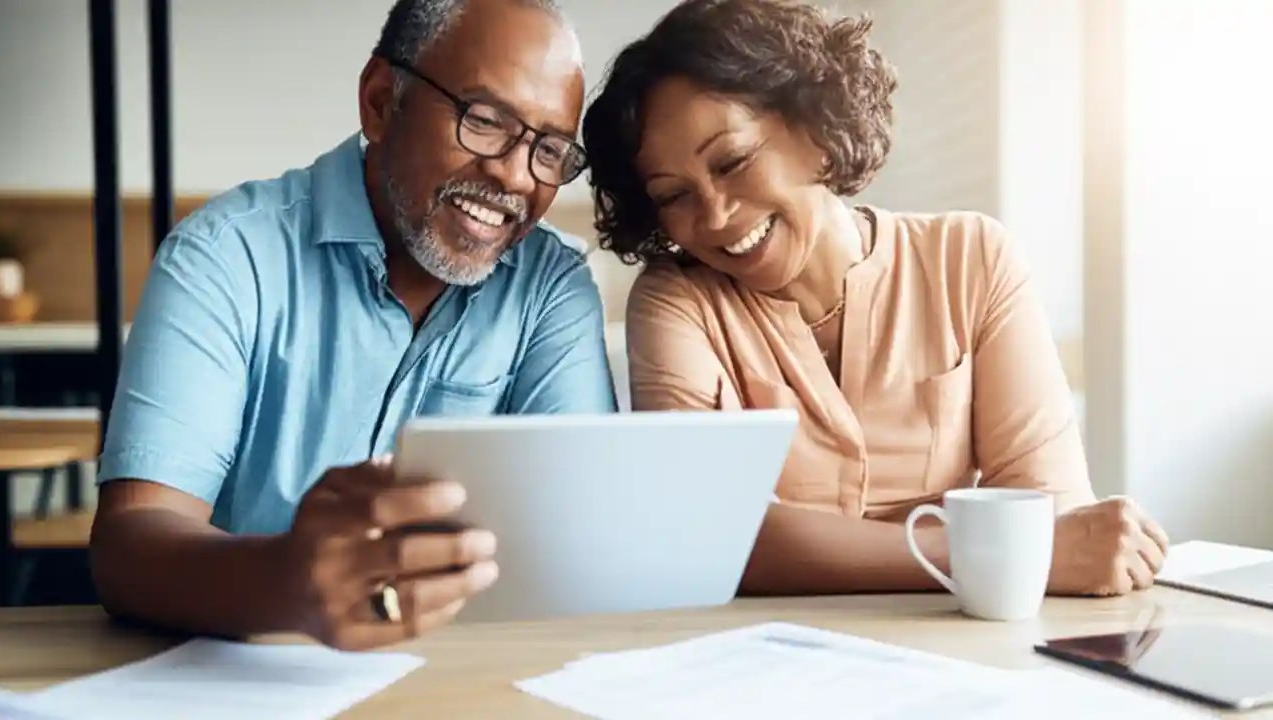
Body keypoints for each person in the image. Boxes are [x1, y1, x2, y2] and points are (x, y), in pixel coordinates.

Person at [582, 0, 1169, 598]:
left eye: (732, 162)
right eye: (674, 195)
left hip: (966, 648)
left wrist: (1034, 550)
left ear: (814, 127)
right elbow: (705, 532)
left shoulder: (971, 258)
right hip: (761, 659)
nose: (715, 215)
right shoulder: (675, 302)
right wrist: (986, 551)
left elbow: (1054, 513)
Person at [89, 0, 615, 651]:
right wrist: (281, 583)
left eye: (550, 149)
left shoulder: (550, 286)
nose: (513, 174)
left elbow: (579, 537)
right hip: (241, 680)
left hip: (468, 678)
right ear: (380, 101)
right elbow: (129, 545)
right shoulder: (228, 256)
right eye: (484, 121)